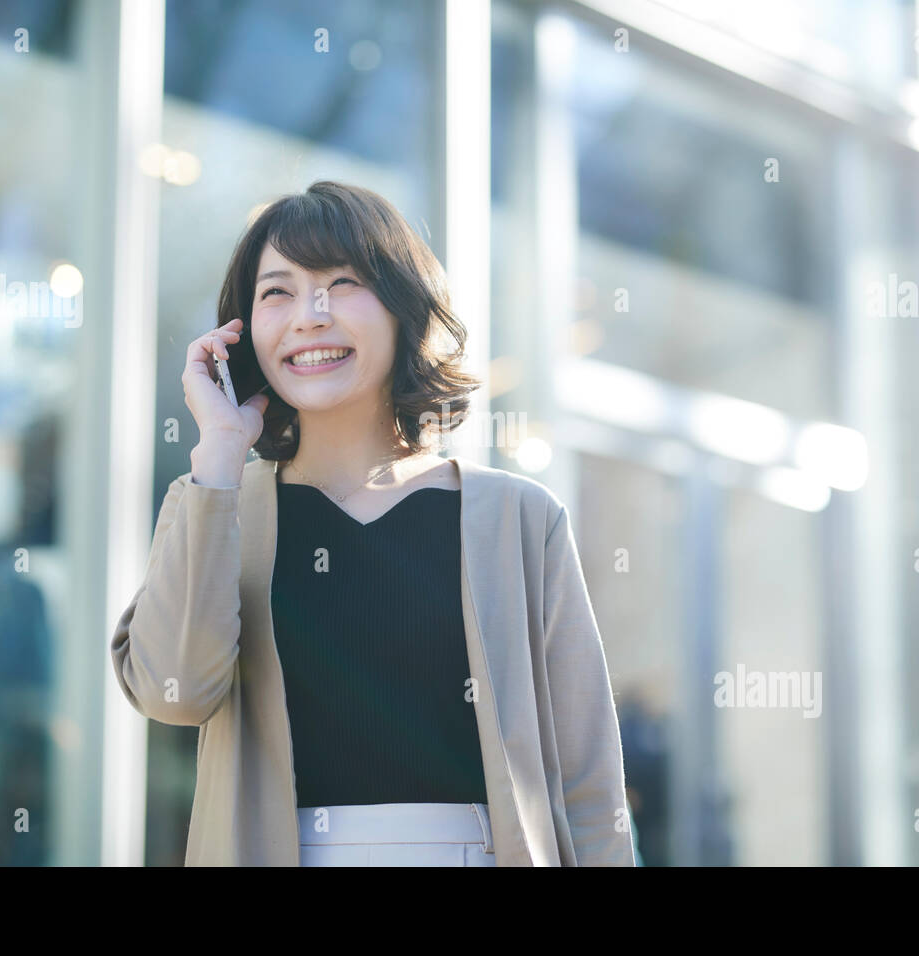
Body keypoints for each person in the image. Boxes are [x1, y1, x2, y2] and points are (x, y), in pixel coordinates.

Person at [111, 180, 634, 866]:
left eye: (342, 282)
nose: (309, 315)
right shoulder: (219, 505)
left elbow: (590, 787)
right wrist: (218, 459)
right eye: (277, 292)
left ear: (402, 307)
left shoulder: (517, 519)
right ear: (243, 329)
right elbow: (171, 693)